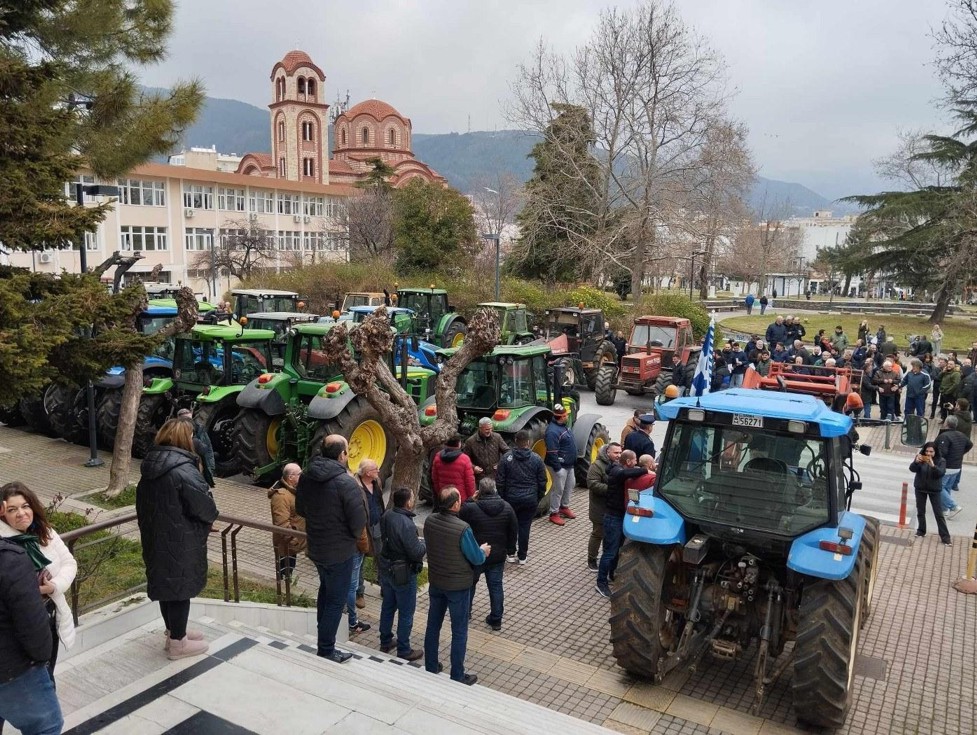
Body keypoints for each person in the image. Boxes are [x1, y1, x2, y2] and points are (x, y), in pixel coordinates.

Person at [136, 418, 218, 660]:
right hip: (181, 539)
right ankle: (178, 644)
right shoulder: (183, 469)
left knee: (167, 586)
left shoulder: (151, 465)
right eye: (192, 435)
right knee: (180, 588)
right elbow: (205, 508)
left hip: (156, 537)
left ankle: (174, 632)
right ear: (185, 438)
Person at [296, 434, 367, 664]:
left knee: (325, 592)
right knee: (335, 600)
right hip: (339, 552)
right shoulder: (346, 483)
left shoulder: (307, 475)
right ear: (342, 455)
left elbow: (300, 508)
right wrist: (350, 537)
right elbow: (358, 522)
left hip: (317, 546)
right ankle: (326, 649)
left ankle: (323, 637)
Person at [0, 483, 76, 682]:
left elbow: (69, 563)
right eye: (12, 509)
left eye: (25, 506)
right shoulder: (4, 547)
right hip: (19, 624)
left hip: (50, 613)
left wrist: (54, 586)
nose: (21, 513)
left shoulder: (44, 532)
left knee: (48, 673)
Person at [424, 486, 489, 685]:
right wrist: (483, 551)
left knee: (433, 625)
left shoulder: (430, 521)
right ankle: (457, 674)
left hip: (437, 581)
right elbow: (476, 558)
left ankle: (431, 665)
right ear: (455, 505)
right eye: (460, 498)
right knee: (459, 630)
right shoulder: (462, 528)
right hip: (458, 586)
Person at [0, 534, 63, 735]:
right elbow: (32, 623)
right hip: (13, 671)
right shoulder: (10, 559)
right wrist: (41, 659)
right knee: (46, 727)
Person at [460, 478, 517, 632]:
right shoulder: (507, 507)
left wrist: (470, 499)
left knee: (470, 585)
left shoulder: (470, 508)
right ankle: (496, 619)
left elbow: (459, 518)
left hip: (475, 555)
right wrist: (510, 550)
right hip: (497, 555)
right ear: (495, 490)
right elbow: (513, 531)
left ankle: (465, 614)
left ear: (479, 491)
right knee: (496, 587)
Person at [377, 487, 426, 662]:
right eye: (412, 497)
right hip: (403, 572)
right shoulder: (406, 524)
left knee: (388, 606)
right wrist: (425, 545)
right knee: (406, 612)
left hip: (386, 567)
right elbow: (416, 552)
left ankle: (385, 641)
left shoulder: (387, 515)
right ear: (408, 502)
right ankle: (404, 649)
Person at [595, 450, 651, 598]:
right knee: (610, 552)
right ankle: (601, 583)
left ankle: (612, 574)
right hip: (613, 518)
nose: (636, 463)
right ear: (628, 462)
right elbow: (625, 474)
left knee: (617, 549)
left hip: (620, 516)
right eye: (634, 460)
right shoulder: (617, 472)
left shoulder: (620, 470)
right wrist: (646, 470)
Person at [496, 429, 547, 564]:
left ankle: (510, 553)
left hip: (511, 499)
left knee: (511, 526)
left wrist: (503, 498)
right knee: (525, 527)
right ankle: (523, 556)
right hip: (530, 500)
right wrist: (537, 498)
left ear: (515, 441)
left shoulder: (506, 459)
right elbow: (543, 481)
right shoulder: (537, 459)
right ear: (528, 442)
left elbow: (500, 481)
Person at [350, 458, 385, 622]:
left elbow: (379, 502)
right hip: (363, 529)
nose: (378, 471)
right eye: (375, 469)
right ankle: (359, 593)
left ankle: (383, 585)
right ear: (366, 473)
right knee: (360, 560)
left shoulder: (377, 482)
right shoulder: (355, 487)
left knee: (381, 556)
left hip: (377, 525)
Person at [586, 442, 621, 572]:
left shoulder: (618, 464)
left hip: (612, 508)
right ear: (608, 452)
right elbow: (592, 484)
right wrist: (612, 489)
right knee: (597, 534)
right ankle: (592, 559)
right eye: (616, 453)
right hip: (599, 508)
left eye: (620, 452)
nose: (619, 455)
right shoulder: (597, 466)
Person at [268, 463, 306, 581]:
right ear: (290, 477)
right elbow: (282, 524)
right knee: (285, 572)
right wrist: (295, 541)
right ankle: (283, 587)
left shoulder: (293, 491)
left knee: (290, 568)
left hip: (292, 544)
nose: (302, 476)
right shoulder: (281, 496)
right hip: (287, 544)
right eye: (299, 474)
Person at [909, 442, 951, 545]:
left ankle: (945, 537)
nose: (928, 454)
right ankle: (921, 530)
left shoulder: (941, 461)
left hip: (934, 490)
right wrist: (916, 462)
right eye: (927, 451)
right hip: (920, 488)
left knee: (938, 514)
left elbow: (940, 473)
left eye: (931, 451)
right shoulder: (921, 458)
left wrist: (933, 466)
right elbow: (912, 469)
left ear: (935, 452)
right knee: (920, 511)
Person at [544, 404, 578, 526]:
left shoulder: (563, 426)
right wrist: (558, 468)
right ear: (561, 417)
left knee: (570, 485)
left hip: (569, 465)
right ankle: (554, 513)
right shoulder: (552, 431)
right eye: (566, 415)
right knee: (558, 489)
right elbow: (552, 452)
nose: (567, 416)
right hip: (559, 466)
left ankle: (564, 507)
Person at [936, 416, 972, 519]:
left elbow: (942, 452)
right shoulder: (961, 435)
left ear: (946, 423)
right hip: (957, 467)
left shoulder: (944, 436)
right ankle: (945, 509)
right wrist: (960, 453)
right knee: (947, 487)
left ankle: (953, 506)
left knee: (939, 487)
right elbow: (970, 444)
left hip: (947, 466)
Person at [176, 408, 215, 488]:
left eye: (190, 419)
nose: (189, 422)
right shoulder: (177, 435)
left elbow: (208, 450)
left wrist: (211, 468)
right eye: (186, 419)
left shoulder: (200, 430)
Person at [464, 417, 510, 482]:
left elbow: (508, 452)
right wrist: (473, 467)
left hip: (495, 476)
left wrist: (501, 464)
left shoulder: (497, 437)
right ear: (480, 428)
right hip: (479, 478)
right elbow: (465, 459)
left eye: (491, 429)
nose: (489, 431)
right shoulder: (470, 441)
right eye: (487, 429)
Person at [432, 436, 476, 503]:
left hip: (444, 496)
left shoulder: (438, 456)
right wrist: (471, 497)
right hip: (460, 497)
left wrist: (440, 493)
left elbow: (435, 479)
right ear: (459, 444)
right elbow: (469, 482)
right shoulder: (465, 459)